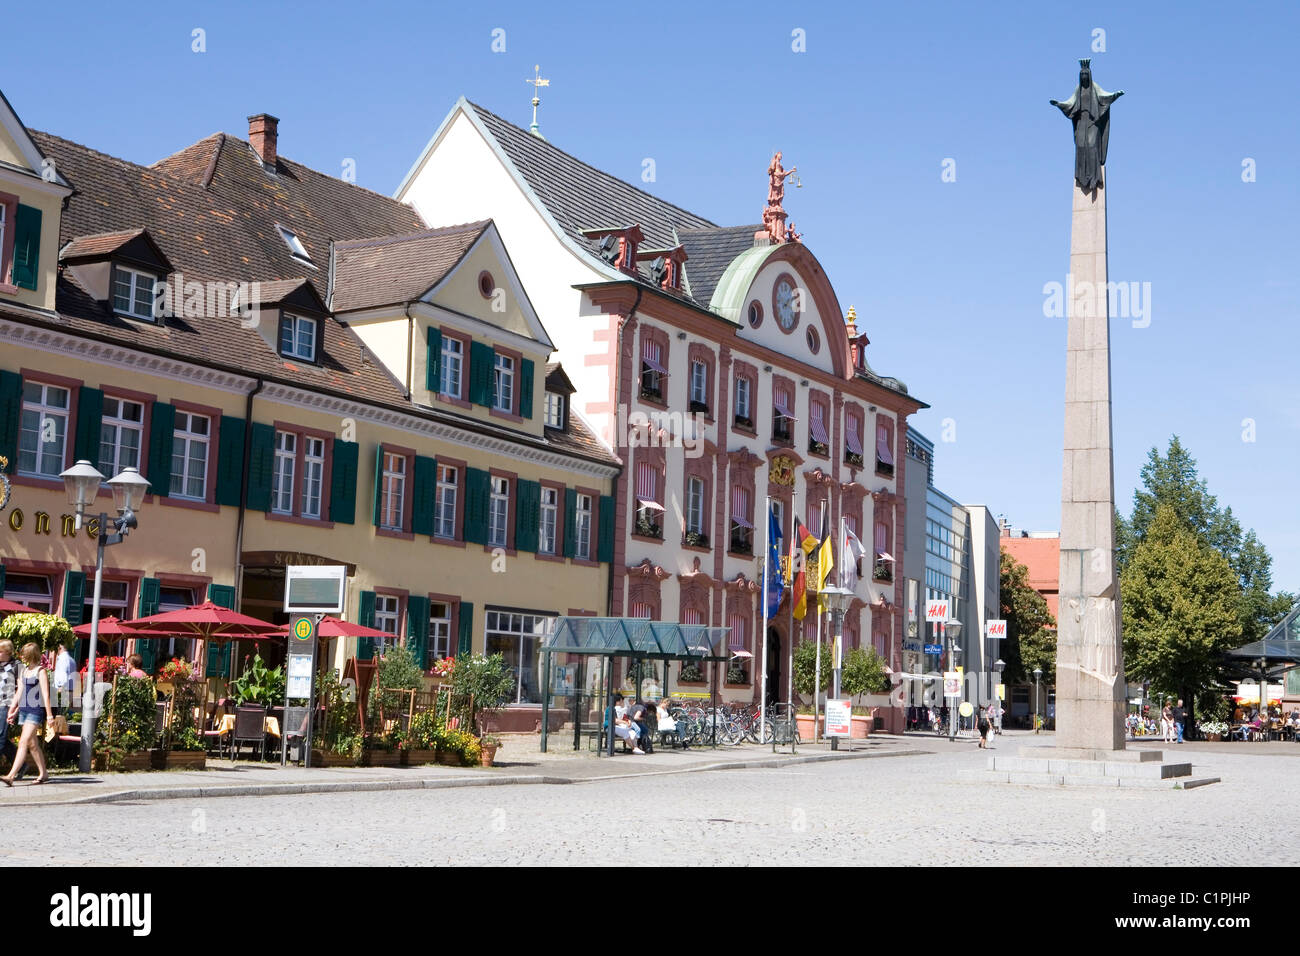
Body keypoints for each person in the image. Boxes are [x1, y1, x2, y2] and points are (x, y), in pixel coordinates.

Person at [2, 643, 54, 786]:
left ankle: (11, 775)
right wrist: (14, 710)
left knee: (23, 741)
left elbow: (46, 695)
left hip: (35, 711)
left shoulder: (40, 671)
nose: (21, 655)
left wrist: (49, 715)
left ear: (31, 654)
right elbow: (21, 692)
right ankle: (43, 773)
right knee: (32, 744)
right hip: (24, 711)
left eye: (24, 653)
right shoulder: (24, 670)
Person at [0, 640, 22, 774]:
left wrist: (14, 706)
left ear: (8, 652)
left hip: (6, 704)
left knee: (0, 736)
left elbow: (21, 688)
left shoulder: (17, 665)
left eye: (0, 651)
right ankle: (21, 764)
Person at [53, 641, 75, 714]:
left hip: (62, 690)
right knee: (64, 717)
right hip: (69, 690)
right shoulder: (72, 660)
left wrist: (59, 690)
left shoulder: (62, 659)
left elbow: (63, 677)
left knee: (59, 717)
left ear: (59, 648)